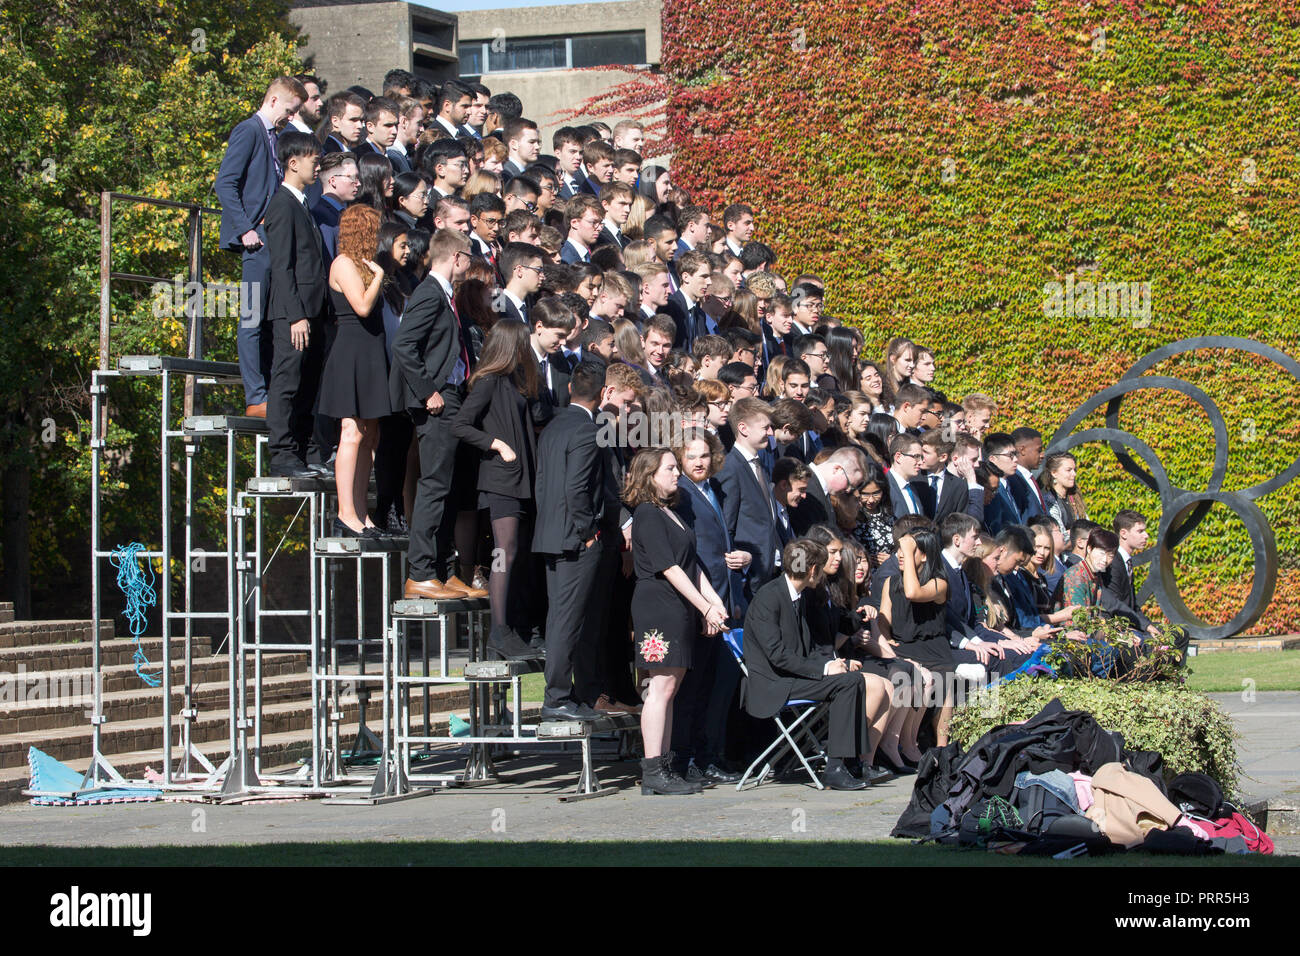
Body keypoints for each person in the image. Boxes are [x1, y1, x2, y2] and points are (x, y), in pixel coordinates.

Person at [626, 447, 728, 795]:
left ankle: (667, 767)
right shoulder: (646, 513)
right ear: (650, 475)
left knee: (670, 689)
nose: (677, 473)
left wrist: (713, 600)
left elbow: (690, 564)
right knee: (660, 687)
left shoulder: (670, 512)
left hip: (677, 607)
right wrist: (704, 607)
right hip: (658, 606)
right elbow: (668, 567)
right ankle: (653, 769)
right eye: (669, 468)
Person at [741, 539, 872, 791]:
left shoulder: (796, 596)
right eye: (821, 568)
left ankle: (852, 762)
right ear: (812, 570)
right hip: (773, 684)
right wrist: (824, 669)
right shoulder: (769, 597)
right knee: (847, 684)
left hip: (790, 677)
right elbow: (777, 655)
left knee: (853, 678)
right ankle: (835, 768)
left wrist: (835, 663)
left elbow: (806, 648)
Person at [390, 228, 477, 600]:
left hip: (453, 396)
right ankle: (421, 573)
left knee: (451, 487)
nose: (470, 265)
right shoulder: (429, 293)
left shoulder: (445, 294)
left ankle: (442, 570)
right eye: (468, 257)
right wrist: (428, 391)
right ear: (456, 257)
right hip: (437, 400)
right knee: (435, 485)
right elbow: (404, 345)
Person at [215, 75, 306, 417]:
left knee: (269, 317)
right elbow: (225, 183)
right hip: (256, 240)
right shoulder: (249, 130)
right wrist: (245, 229)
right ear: (273, 100)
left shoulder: (274, 137)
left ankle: (269, 392)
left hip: (272, 236)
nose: (291, 117)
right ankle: (255, 396)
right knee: (252, 317)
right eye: (289, 110)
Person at [452, 321, 540, 660]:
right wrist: (496, 444)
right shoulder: (488, 381)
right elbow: (461, 425)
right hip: (501, 481)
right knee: (504, 552)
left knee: (516, 554)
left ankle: (512, 629)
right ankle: (499, 632)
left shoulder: (513, 381)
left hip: (520, 481)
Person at [670, 427, 747, 784]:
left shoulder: (712, 488)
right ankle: (688, 760)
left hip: (724, 598)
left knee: (715, 688)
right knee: (695, 689)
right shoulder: (681, 494)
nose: (699, 462)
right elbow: (689, 556)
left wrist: (742, 560)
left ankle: (708, 756)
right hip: (701, 604)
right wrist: (704, 607)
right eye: (691, 456)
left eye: (704, 455)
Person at [533, 360, 612, 710]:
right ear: (603, 394)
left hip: (551, 533)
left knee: (560, 617)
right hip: (575, 539)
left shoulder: (553, 426)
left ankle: (563, 695)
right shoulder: (587, 430)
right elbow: (576, 489)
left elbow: (543, 484)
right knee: (568, 621)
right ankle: (557, 697)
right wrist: (588, 532)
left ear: (569, 389)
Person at [317, 204, 393, 535]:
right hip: (351, 353)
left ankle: (361, 512)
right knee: (351, 431)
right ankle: (345, 512)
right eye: (375, 230)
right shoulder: (344, 263)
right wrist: (379, 278)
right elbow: (362, 306)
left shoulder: (364, 265)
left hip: (371, 352)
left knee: (370, 434)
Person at [264, 131, 328, 479]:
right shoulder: (282, 205)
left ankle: (304, 450)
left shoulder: (302, 205)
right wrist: (295, 315)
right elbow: (282, 267)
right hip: (294, 313)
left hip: (313, 311)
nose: (318, 167)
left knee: (308, 384)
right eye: (313, 161)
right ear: (292, 163)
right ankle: (283, 453)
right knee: (287, 381)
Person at [873, 525, 952, 756]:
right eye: (899, 548)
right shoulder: (891, 583)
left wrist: (908, 554)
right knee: (906, 673)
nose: (900, 554)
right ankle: (904, 743)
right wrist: (887, 638)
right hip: (902, 647)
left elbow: (913, 593)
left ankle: (942, 746)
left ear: (924, 556)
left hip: (932, 649)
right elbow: (883, 619)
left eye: (909, 550)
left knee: (946, 679)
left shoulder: (939, 583)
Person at [717, 398, 780, 595]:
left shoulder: (759, 465)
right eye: (766, 427)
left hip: (767, 571)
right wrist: (743, 568)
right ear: (743, 428)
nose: (771, 433)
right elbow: (727, 525)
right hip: (748, 579)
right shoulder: (730, 468)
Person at [1043, 451, 1088, 534]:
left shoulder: (1074, 497)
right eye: (1069, 470)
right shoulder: (1049, 502)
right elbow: (1060, 535)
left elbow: (1088, 526)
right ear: (1054, 473)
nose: (1074, 474)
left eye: (1074, 470)